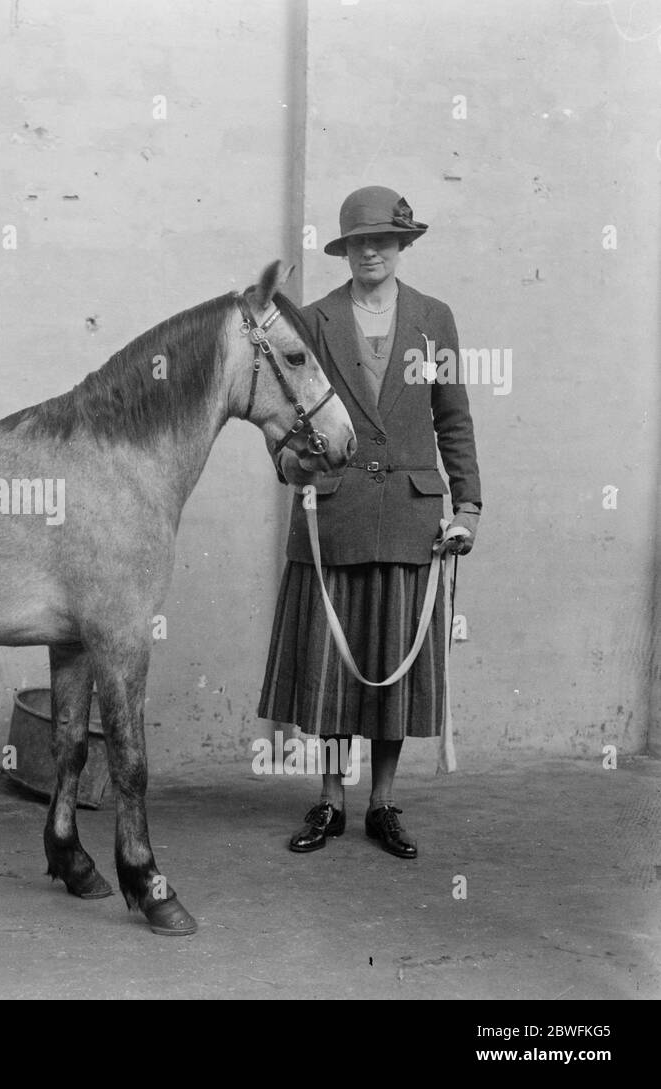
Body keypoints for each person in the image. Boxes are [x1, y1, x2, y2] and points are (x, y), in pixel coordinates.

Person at [257, 185, 481, 858]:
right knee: (331, 666)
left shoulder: (434, 320)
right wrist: (288, 461)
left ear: (402, 245)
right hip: (335, 516)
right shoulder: (318, 319)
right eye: (360, 241)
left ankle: (383, 802)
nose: (372, 250)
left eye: (384, 239)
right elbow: (287, 407)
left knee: (390, 659)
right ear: (346, 250)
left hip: (410, 516)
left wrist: (466, 506)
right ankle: (330, 799)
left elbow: (453, 418)